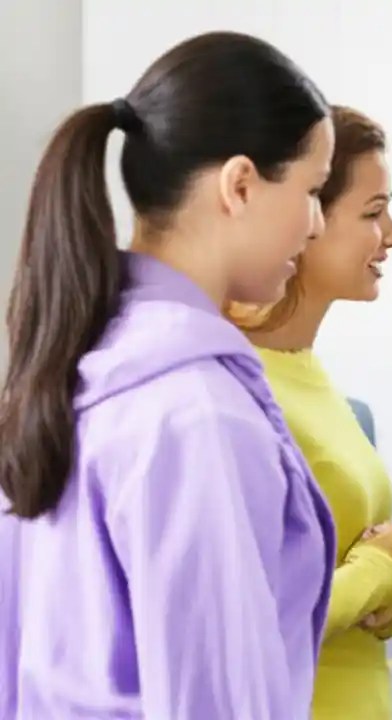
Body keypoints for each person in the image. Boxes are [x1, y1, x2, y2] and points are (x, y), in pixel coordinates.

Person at [0, 31, 342, 719]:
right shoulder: (196, 415)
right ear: (240, 184)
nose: (314, 224)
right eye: (312, 190)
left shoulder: (72, 369)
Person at [228, 105, 392, 720]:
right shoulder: (233, 391)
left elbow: (346, 586)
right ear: (305, 216)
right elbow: (246, 619)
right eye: (373, 213)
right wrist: (376, 575)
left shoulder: (308, 372)